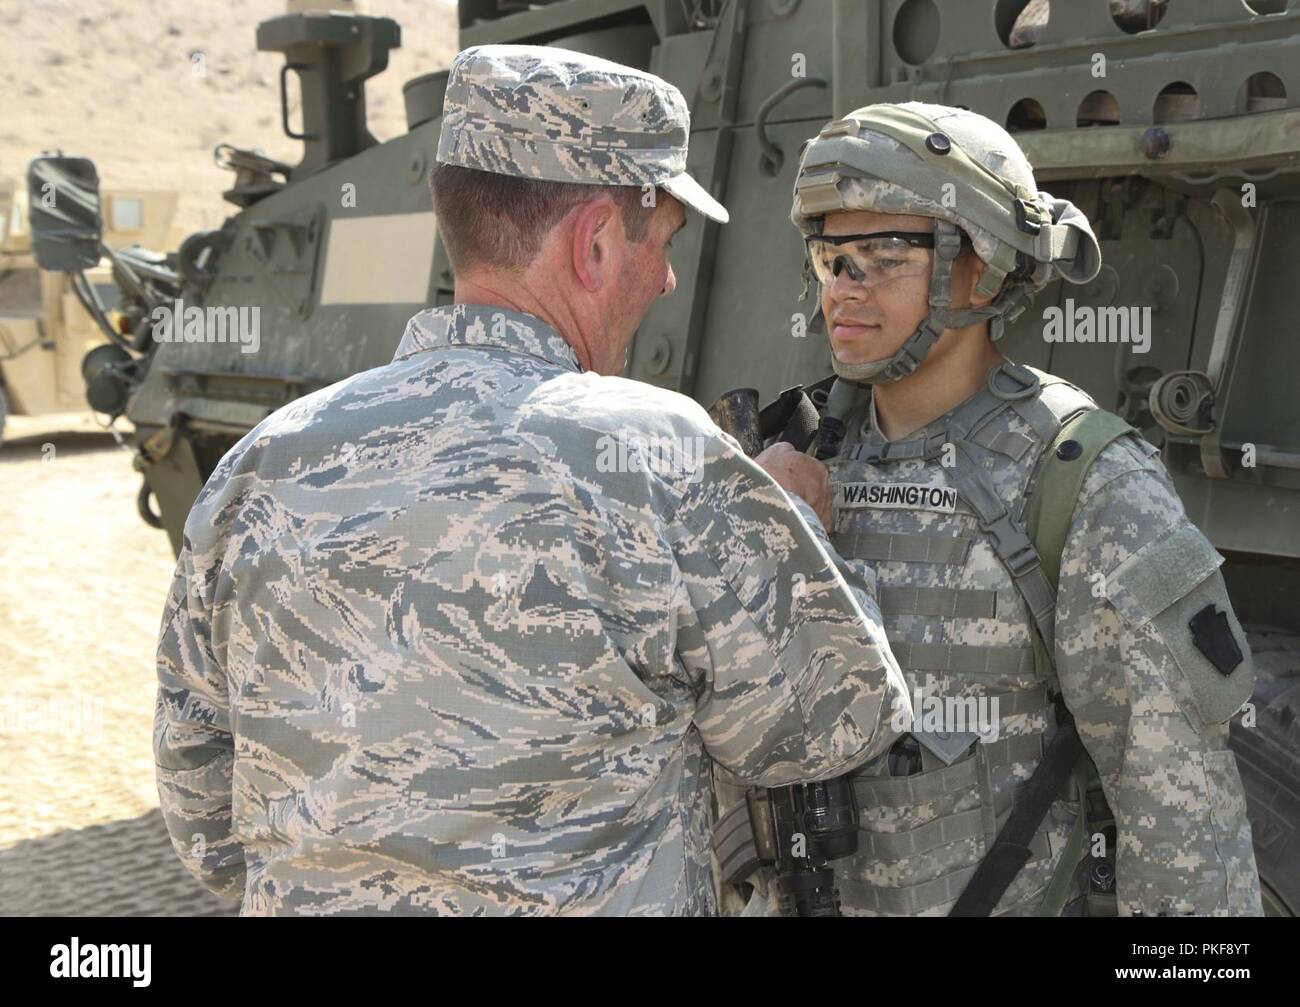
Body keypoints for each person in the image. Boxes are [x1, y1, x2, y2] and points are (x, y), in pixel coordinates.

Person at [151, 44, 907, 916]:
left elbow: (207, 817)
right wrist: (792, 522)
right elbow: (829, 724)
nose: (665, 275)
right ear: (592, 242)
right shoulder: (658, 455)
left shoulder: (262, 465)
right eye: (660, 239)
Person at [727, 101, 1260, 916]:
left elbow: (1185, 831)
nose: (846, 287)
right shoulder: (796, 461)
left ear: (983, 265)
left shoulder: (1082, 482)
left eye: (885, 253)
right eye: (832, 255)